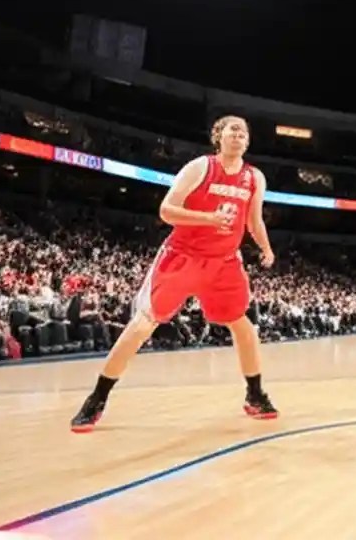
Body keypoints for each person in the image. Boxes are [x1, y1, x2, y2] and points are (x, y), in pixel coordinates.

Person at [70, 116, 278, 432]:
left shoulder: (254, 177)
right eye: (232, 129)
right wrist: (210, 218)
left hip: (223, 262)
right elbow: (167, 210)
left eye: (244, 131)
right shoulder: (200, 168)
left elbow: (254, 220)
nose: (239, 134)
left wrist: (266, 247)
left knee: (244, 325)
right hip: (183, 257)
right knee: (143, 325)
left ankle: (254, 393)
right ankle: (97, 398)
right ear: (218, 136)